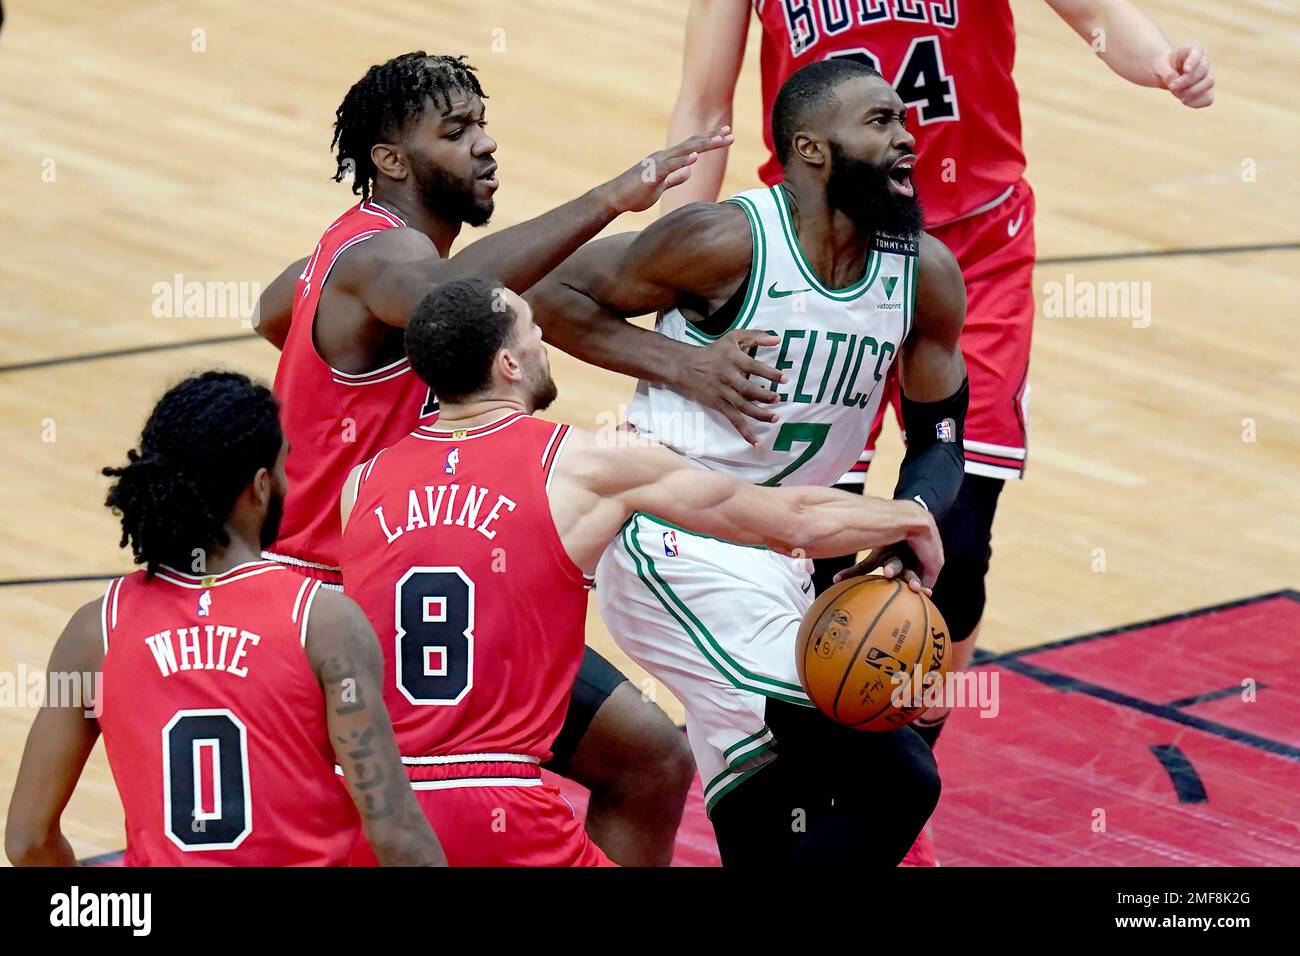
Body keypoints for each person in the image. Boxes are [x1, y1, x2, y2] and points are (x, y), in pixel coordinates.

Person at [661, 0, 1216, 766]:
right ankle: (817, 766)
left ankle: (907, 768)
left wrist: (1160, 61)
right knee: (810, 541)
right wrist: (669, 260)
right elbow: (703, 106)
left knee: (956, 542)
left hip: (975, 247)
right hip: (819, 250)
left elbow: (1095, 15)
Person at [251, 52, 735, 865]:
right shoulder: (381, 260)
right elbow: (456, 302)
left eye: (481, 123)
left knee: (650, 759)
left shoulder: (359, 259)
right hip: (334, 599)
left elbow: (276, 306)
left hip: (425, 576)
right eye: (455, 131)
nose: (484, 144)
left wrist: (333, 368)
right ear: (391, 162)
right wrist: (612, 198)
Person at [529, 59, 968, 865]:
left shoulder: (924, 275)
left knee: (770, 801)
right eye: (879, 122)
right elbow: (549, 294)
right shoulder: (727, 241)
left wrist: (908, 530)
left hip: (789, 555)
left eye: (906, 122)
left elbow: (940, 436)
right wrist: (683, 364)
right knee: (899, 773)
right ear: (811, 149)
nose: (906, 138)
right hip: (677, 540)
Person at [341, 278, 943, 865]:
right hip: (500, 800)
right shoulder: (584, 461)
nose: (542, 335)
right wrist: (906, 519)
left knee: (657, 757)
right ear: (509, 365)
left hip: (376, 807)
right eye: (531, 329)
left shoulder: (362, 485)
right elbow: (792, 521)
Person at [5, 372, 444, 866]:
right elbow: (396, 836)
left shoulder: (93, 632)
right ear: (260, 487)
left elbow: (27, 841)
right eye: (283, 469)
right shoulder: (323, 620)